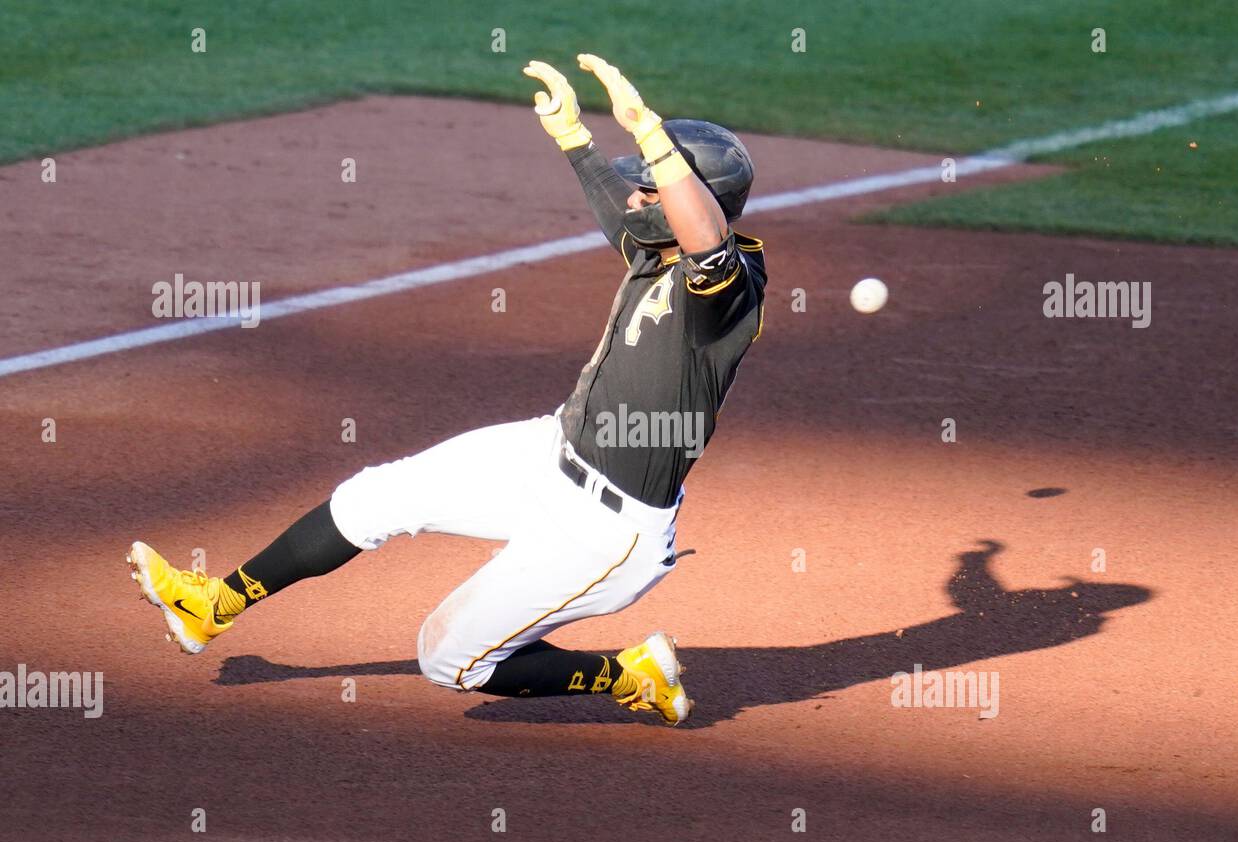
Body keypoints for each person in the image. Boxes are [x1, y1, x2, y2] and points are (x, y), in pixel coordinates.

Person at [127, 54, 767, 725]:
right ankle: (215, 605)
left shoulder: (728, 292)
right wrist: (575, 138)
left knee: (447, 659)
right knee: (372, 498)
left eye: (651, 187)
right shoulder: (655, 246)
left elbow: (707, 244)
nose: (636, 197)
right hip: (548, 453)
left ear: (695, 200)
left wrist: (651, 133)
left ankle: (629, 674)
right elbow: (624, 213)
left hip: (606, 531)